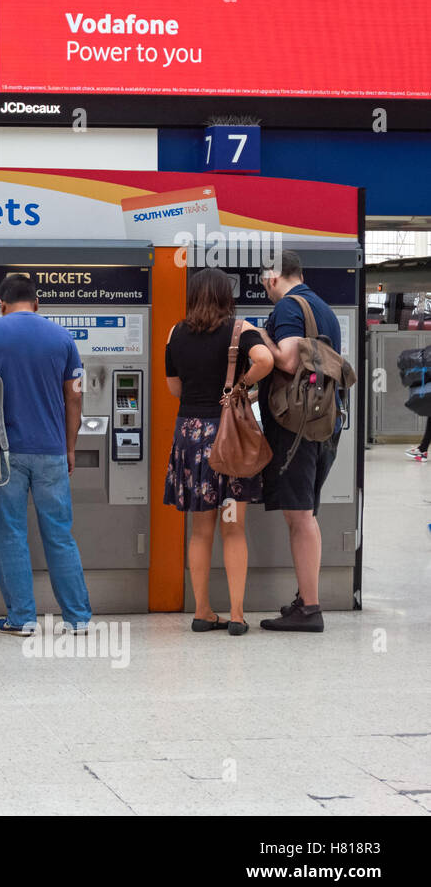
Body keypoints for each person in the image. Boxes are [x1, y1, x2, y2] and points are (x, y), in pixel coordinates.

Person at [0, 273, 92, 638]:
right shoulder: (63, 337)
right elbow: (75, 396)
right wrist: (69, 447)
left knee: (10, 534)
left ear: (2, 305)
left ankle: (22, 618)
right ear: (37, 303)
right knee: (60, 535)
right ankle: (78, 618)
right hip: (51, 453)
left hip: (4, 452)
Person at [163, 269, 275, 636]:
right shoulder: (241, 331)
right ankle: (238, 615)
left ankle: (202, 611)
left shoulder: (175, 334)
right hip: (228, 441)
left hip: (191, 439)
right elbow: (266, 361)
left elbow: (174, 388)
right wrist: (239, 386)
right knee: (234, 527)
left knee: (200, 531)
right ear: (226, 296)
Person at [256, 250, 344, 633]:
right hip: (322, 423)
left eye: (264, 279)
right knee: (305, 512)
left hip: (297, 428)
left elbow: (288, 361)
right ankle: (305, 599)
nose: (263, 286)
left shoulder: (290, 308)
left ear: (274, 276)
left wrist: (257, 335)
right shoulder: (322, 307)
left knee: (300, 517)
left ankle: (309, 608)